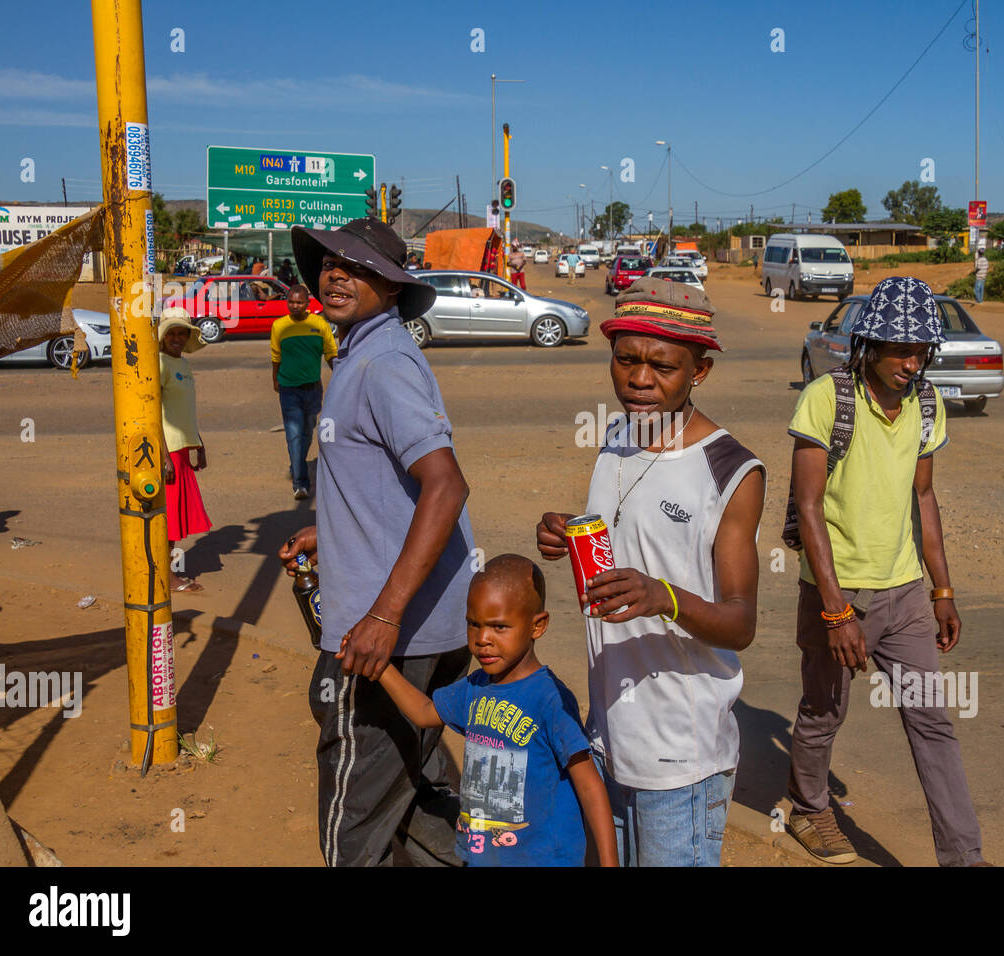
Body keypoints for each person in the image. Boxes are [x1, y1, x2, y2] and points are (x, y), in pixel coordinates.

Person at [536, 278, 765, 867]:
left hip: (678, 754)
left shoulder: (731, 472)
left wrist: (662, 595)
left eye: (662, 367)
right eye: (625, 360)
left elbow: (740, 624)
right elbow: (627, 529)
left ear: (700, 371)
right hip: (608, 732)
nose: (639, 379)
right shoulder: (617, 436)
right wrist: (569, 529)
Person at [278, 217, 476, 868]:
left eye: (358, 267)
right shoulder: (361, 352)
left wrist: (385, 613)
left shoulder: (384, 360)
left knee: (352, 826)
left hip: (393, 632)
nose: (337, 274)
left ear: (391, 288)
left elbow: (444, 487)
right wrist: (330, 531)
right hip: (415, 624)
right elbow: (388, 489)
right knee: (417, 793)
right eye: (331, 263)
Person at [784, 276, 988, 867]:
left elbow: (924, 498)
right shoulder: (827, 399)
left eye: (922, 350)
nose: (912, 361)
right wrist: (836, 609)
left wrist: (942, 590)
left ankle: (963, 857)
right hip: (836, 591)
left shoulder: (927, 404)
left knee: (932, 723)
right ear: (869, 344)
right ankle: (809, 808)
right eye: (901, 348)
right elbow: (809, 505)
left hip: (906, 598)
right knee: (825, 711)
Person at [361, 554, 618, 867]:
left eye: (499, 627)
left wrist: (608, 862)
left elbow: (590, 785)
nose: (483, 639)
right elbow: (425, 711)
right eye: (474, 624)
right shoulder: (475, 687)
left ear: (538, 625)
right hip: (488, 857)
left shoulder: (550, 699)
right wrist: (380, 666)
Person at [157, 307, 212, 593]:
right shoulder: (160, 364)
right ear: (162, 336)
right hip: (168, 452)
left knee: (177, 516)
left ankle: (165, 573)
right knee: (169, 519)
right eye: (171, 333)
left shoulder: (183, 365)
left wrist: (198, 443)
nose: (176, 338)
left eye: (181, 333)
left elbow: (183, 411)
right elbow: (152, 413)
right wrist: (164, 456)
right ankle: (166, 576)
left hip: (182, 451)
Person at [270, 284, 337, 500]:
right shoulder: (279, 326)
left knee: (307, 432)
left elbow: (330, 354)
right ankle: (301, 483)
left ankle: (297, 462)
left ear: (308, 304)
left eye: (299, 302)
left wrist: (341, 377)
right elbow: (275, 357)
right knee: (294, 435)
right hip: (289, 389)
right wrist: (275, 380)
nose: (295, 306)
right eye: (291, 302)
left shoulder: (319, 324)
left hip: (313, 389)